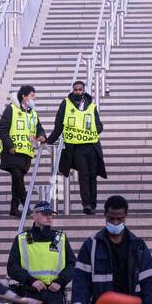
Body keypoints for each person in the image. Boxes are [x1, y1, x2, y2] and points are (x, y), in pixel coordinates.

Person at [72, 194, 152, 304]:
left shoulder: (138, 247)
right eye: (111, 219)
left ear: (126, 216)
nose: (115, 223)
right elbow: (81, 281)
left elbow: (150, 281)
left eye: (119, 219)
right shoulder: (91, 245)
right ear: (105, 215)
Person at [47, 79, 106, 215]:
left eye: (80, 90)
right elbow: (59, 125)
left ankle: (93, 204)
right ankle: (86, 204)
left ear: (84, 90)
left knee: (92, 175)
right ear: (72, 90)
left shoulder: (91, 105)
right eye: (76, 90)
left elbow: (99, 125)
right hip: (76, 147)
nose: (78, 92)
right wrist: (50, 140)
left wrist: (93, 130)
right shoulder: (66, 103)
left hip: (91, 146)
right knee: (84, 175)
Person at [0, 84, 47, 219]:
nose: (34, 98)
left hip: (26, 152)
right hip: (12, 152)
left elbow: (39, 128)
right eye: (32, 95)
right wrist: (10, 146)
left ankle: (14, 209)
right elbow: (1, 129)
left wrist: (42, 135)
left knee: (17, 180)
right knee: (17, 177)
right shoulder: (11, 109)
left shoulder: (33, 113)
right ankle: (26, 204)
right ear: (24, 96)